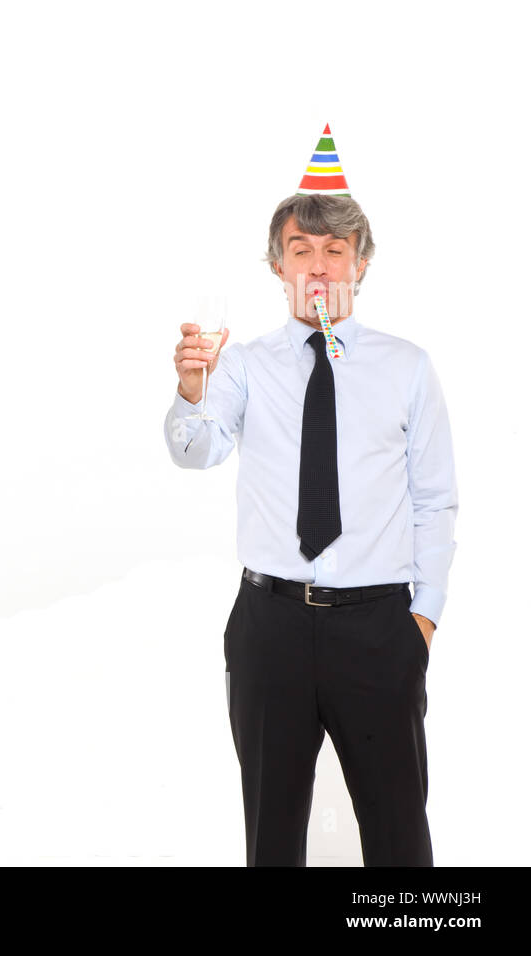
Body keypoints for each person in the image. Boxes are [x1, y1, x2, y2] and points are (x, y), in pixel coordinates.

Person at [164, 127, 457, 866]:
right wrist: (190, 393)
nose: (319, 266)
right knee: (271, 836)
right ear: (277, 264)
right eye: (302, 250)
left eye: (335, 250)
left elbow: (436, 500)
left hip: (378, 628)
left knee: (398, 834)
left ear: (361, 262)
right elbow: (195, 453)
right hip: (270, 628)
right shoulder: (243, 367)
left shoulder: (407, 368)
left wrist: (420, 620)